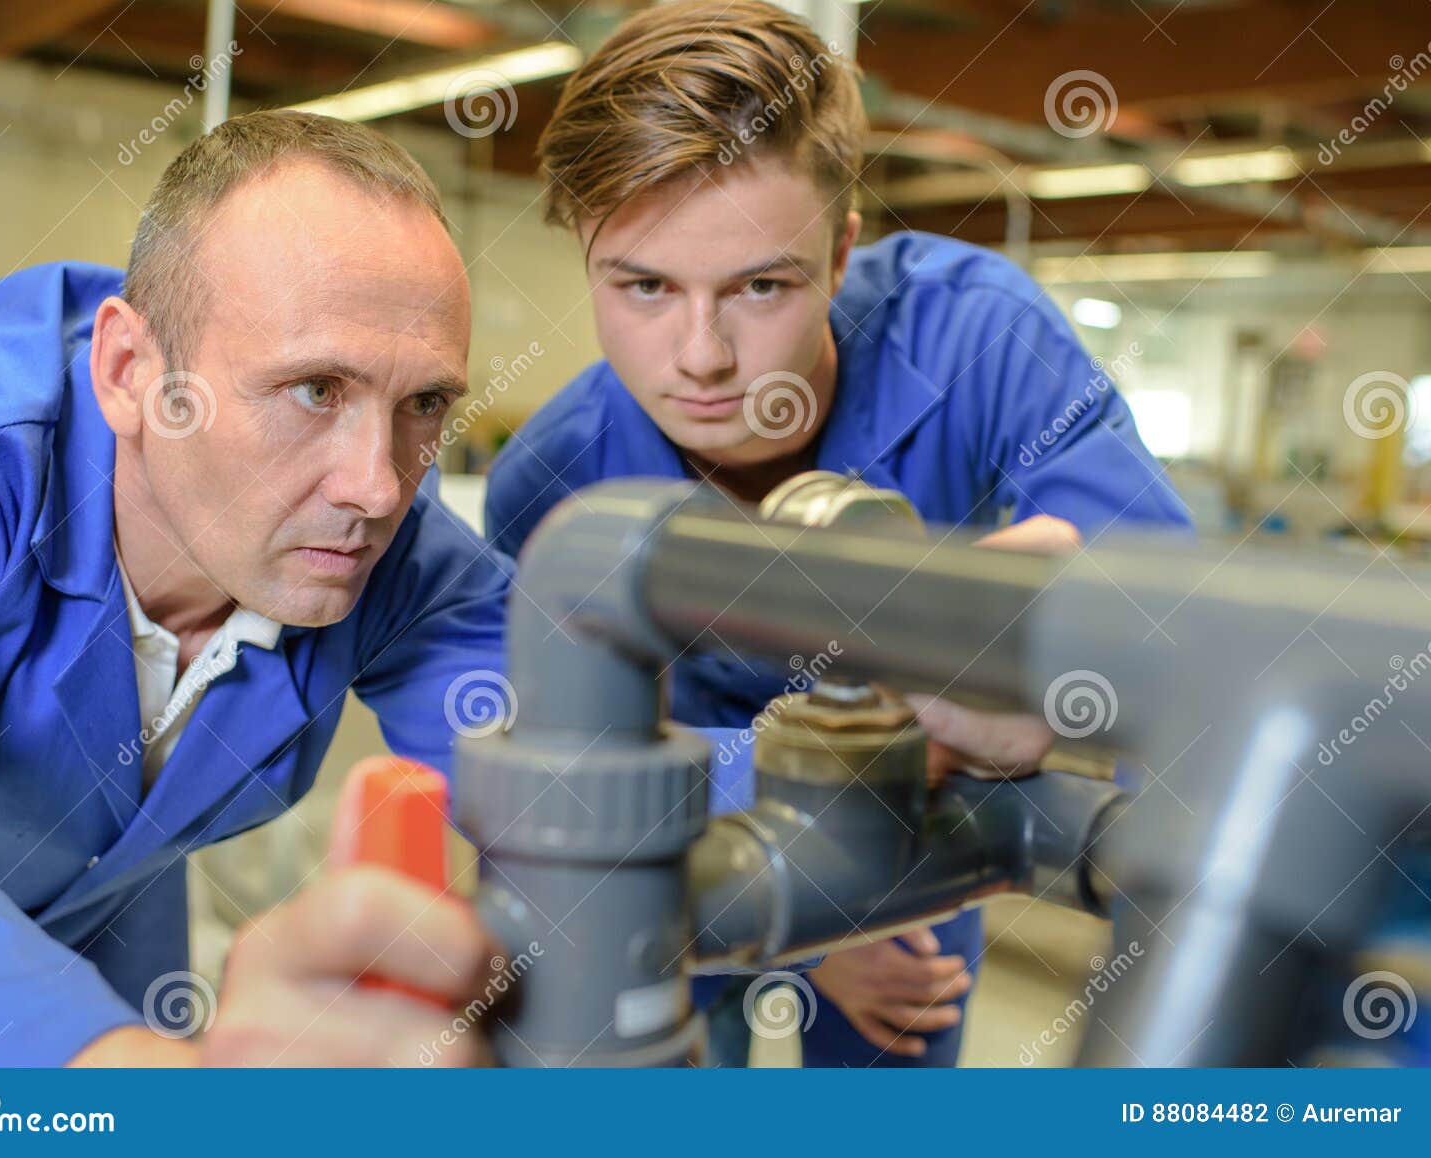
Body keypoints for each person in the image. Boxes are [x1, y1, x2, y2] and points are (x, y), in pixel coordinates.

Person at [484, 0, 1193, 1067]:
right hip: (685, 838)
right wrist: (809, 921)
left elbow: (1158, 579)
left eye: (761, 286)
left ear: (843, 248)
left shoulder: (971, 333)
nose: (702, 357)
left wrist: (1005, 632)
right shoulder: (550, 484)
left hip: (921, 822)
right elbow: (565, 768)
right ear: (585, 252)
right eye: (641, 287)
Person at [0, 111, 511, 1067]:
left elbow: (581, 765)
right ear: (130, 371)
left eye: (425, 404)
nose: (379, 486)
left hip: (93, 953)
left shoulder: (390, 552)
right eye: (315, 389)